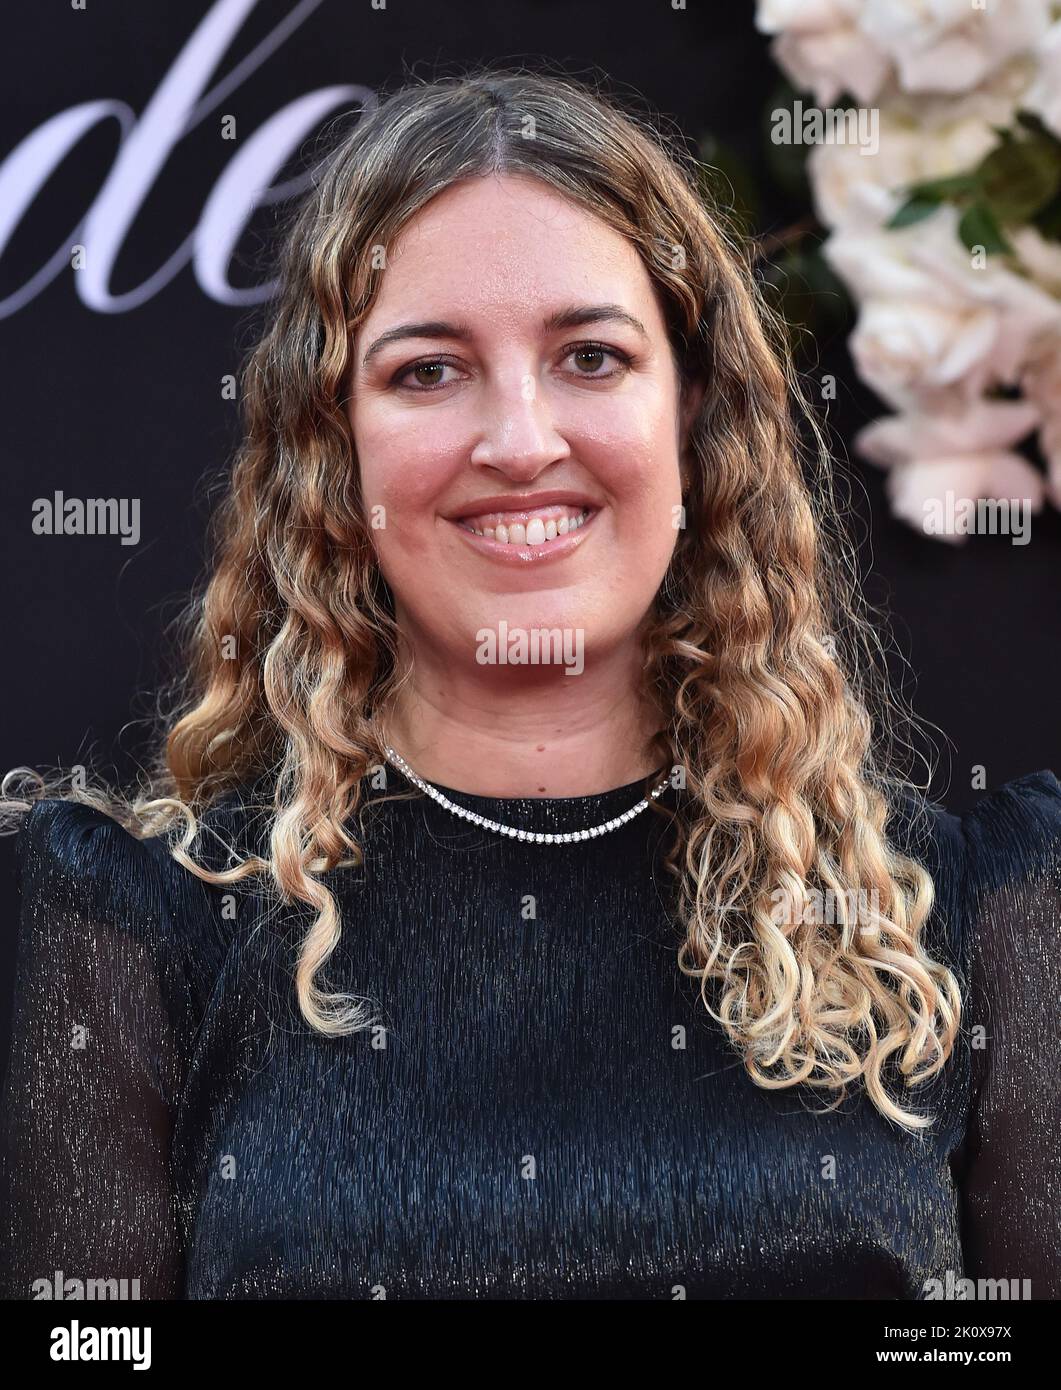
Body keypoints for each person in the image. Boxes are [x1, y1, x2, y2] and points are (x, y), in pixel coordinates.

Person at [1, 67, 1058, 1301]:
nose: (517, 440)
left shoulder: (973, 918)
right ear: (332, 444)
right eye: (427, 371)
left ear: (693, 411)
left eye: (592, 357)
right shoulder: (143, 927)